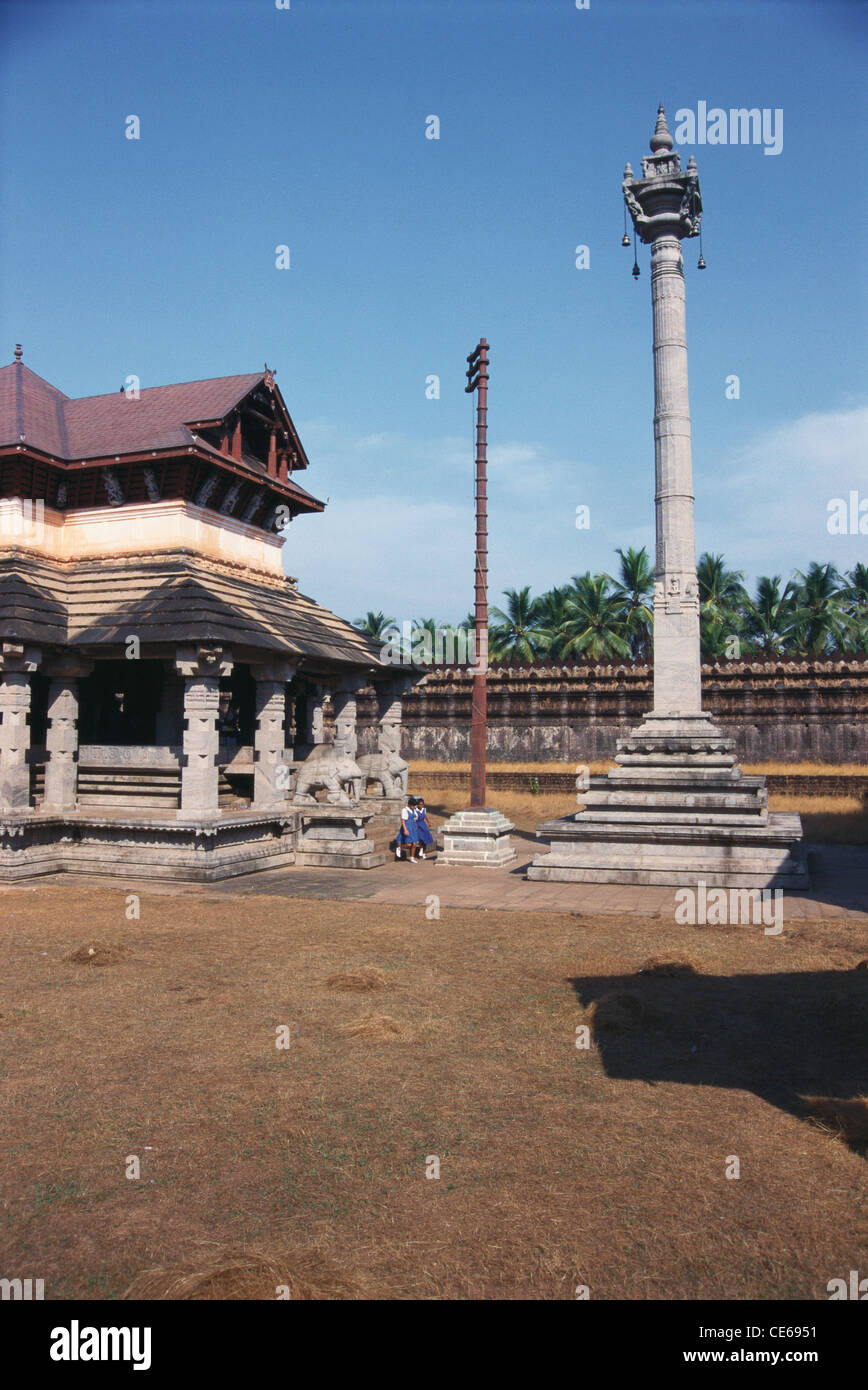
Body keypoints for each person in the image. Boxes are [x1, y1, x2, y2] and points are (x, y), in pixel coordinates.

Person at [396, 796, 420, 863]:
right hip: (407, 826)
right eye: (413, 806)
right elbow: (403, 820)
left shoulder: (414, 810)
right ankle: (400, 847)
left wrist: (415, 825)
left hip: (413, 827)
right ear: (409, 805)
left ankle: (412, 857)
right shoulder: (405, 810)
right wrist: (405, 830)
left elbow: (415, 818)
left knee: (414, 844)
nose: (414, 807)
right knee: (408, 844)